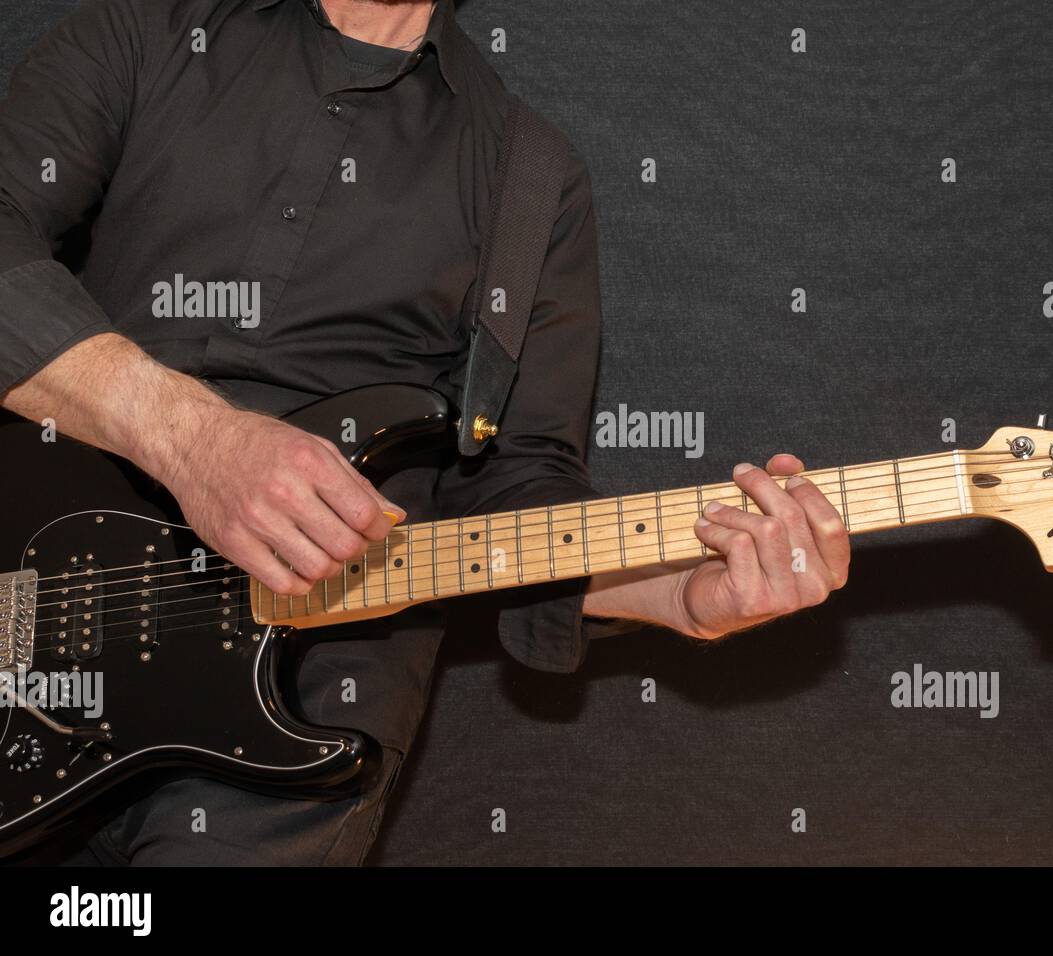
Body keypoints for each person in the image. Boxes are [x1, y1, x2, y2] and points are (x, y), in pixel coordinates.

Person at [0, 0, 850, 864]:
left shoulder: (530, 177)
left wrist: (684, 597)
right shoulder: (144, 29)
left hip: (305, 703)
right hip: (33, 561)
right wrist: (194, 441)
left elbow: (521, 485)